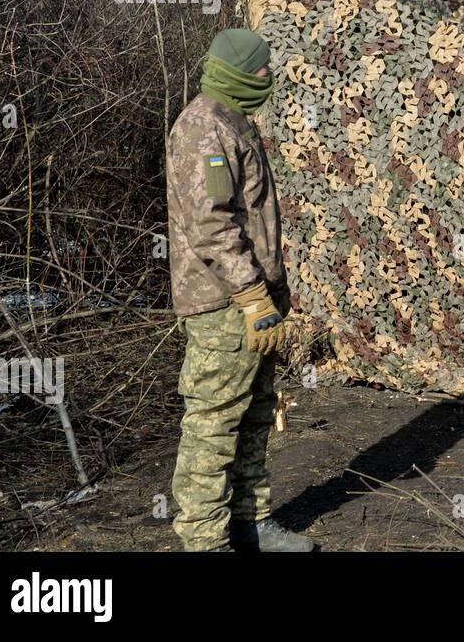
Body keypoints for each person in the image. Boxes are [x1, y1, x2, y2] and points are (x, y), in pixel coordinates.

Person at [165, 28, 313, 551]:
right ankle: (205, 541)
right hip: (223, 302)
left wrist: (267, 296)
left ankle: (251, 522)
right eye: (262, 69)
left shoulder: (232, 121)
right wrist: (251, 296)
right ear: (238, 74)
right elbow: (212, 226)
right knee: (214, 421)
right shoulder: (205, 128)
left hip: (253, 299)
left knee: (254, 412)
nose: (269, 77)